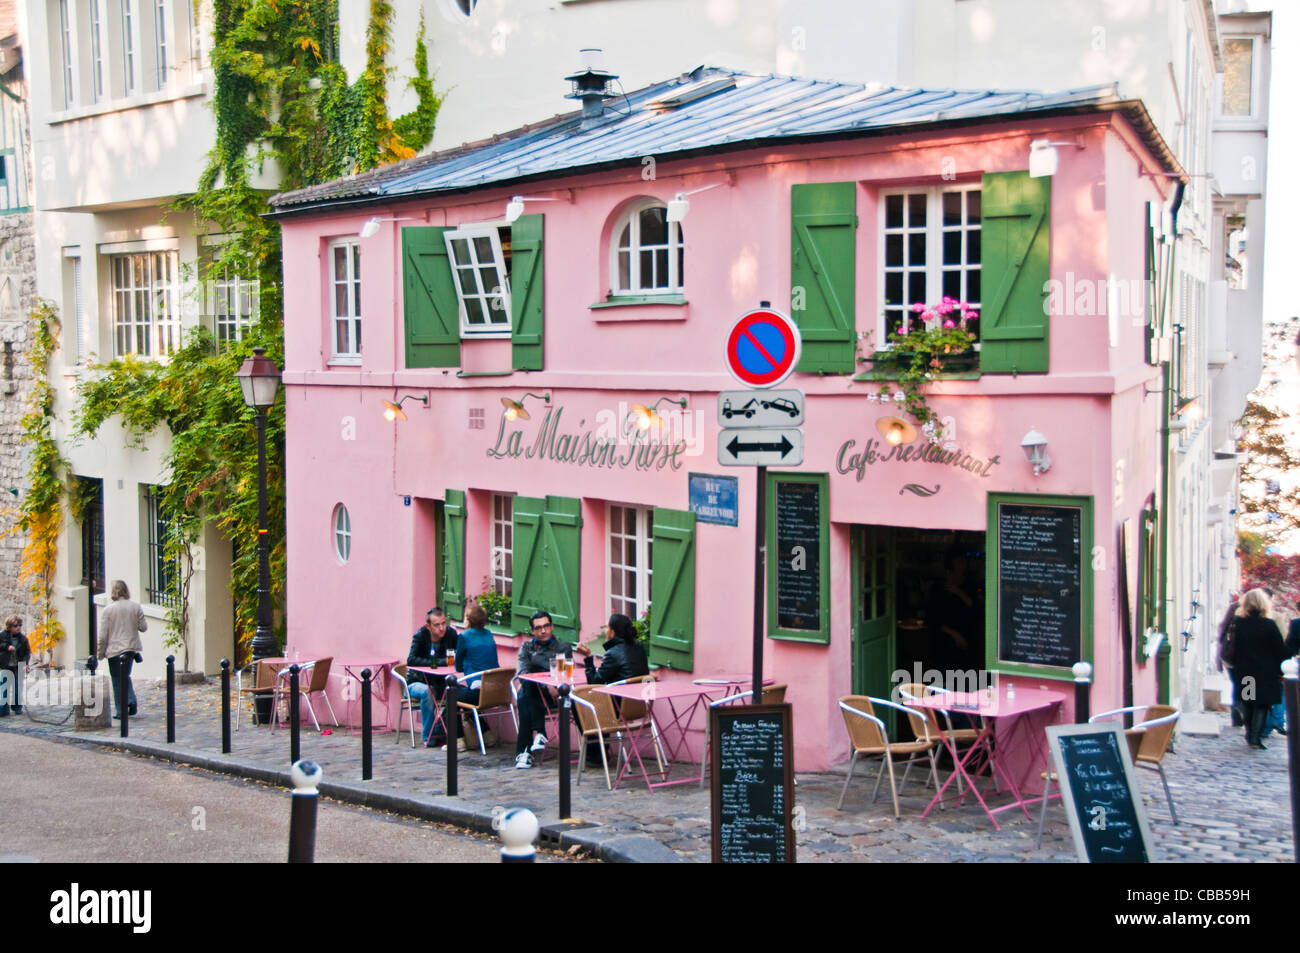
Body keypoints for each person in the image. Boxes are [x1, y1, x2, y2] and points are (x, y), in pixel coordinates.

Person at [429, 602, 498, 749]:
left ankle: (457, 741)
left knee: (451, 694)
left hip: (479, 692)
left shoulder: (464, 637)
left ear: (469, 620)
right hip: (496, 691)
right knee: (463, 696)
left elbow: (458, 666)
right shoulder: (489, 634)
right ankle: (487, 736)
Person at [1231, 588, 1289, 750]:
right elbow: (1279, 649)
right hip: (1265, 672)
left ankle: (1250, 734)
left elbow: (1233, 647)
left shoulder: (1239, 623)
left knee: (1248, 702)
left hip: (1245, 669)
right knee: (1261, 704)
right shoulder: (1269, 624)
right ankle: (1255, 737)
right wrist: (1281, 669)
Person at [513, 610, 570, 769]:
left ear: (552, 627)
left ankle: (524, 753)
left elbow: (564, 675)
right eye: (538, 628)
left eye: (546, 626)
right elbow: (523, 673)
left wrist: (546, 681)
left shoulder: (563, 648)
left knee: (525, 693)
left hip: (556, 697)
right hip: (536, 695)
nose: (543, 631)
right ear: (532, 631)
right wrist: (546, 683)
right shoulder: (527, 647)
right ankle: (539, 733)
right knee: (527, 689)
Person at [406, 607, 458, 746]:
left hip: (441, 681)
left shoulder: (451, 634)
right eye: (437, 625)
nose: (441, 628)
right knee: (428, 692)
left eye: (443, 623)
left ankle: (442, 729)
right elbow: (411, 660)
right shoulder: (420, 636)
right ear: (428, 626)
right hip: (416, 681)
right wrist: (439, 663)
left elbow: (459, 654)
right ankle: (428, 736)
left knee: (458, 692)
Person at [98, 580, 147, 720]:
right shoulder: (135, 607)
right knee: (125, 675)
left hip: (114, 650)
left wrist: (100, 653)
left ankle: (121, 710)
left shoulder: (108, 610)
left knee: (116, 679)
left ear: (113, 592)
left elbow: (102, 635)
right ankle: (131, 700)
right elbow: (143, 627)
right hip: (130, 648)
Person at [575, 613, 649, 685]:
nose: (605, 631)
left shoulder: (613, 654)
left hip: (618, 696)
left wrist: (588, 656)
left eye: (607, 627)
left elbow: (594, 682)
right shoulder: (639, 647)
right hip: (638, 694)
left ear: (612, 632)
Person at [1217, 595, 1243, 726]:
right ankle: (1245, 712)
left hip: (1230, 659)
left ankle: (1237, 712)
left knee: (1238, 685)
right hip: (1247, 662)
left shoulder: (1232, 617)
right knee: (1248, 685)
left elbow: (1222, 637)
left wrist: (1220, 658)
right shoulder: (1252, 621)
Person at [0, 616, 31, 716]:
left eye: (20, 625)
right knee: (4, 688)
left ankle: (17, 707)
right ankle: (3, 709)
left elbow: (27, 652)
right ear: (9, 627)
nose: (18, 627)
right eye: (15, 625)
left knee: (18, 688)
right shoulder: (2, 636)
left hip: (18, 666)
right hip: (5, 665)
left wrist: (26, 664)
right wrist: (6, 647)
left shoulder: (23, 639)